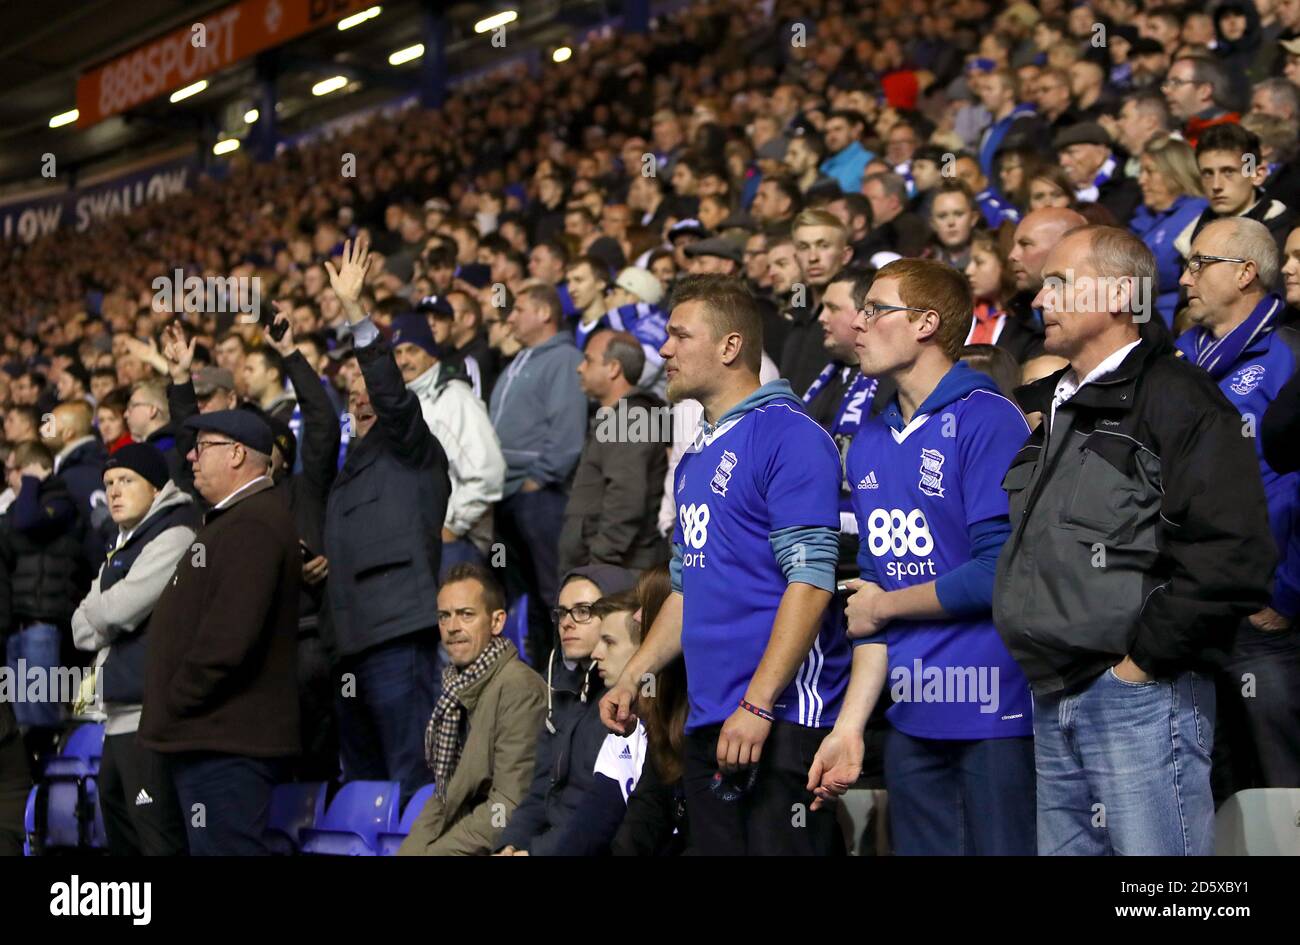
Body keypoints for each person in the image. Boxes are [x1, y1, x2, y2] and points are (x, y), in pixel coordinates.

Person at [994, 225, 1275, 855]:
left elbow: (1233, 553)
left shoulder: (1179, 398)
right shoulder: (1051, 404)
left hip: (1141, 695)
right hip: (1051, 689)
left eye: (1061, 284)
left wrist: (1140, 667)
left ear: (1122, 293)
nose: (1043, 301)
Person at [601, 275, 849, 856]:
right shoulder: (694, 458)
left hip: (782, 715)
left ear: (730, 347)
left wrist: (758, 704)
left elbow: (811, 582)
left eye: (679, 335)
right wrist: (633, 672)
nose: (663, 351)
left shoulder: (790, 435)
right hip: (712, 715)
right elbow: (685, 590)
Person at [806, 257, 1036, 855]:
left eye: (877, 309)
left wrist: (885, 607)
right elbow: (873, 599)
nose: (858, 323)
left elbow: (998, 573)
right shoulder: (870, 442)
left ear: (926, 323)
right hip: (910, 715)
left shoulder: (988, 418)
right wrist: (850, 728)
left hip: (994, 709)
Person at [321, 236, 452, 805]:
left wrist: (355, 312)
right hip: (349, 643)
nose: (362, 400)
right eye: (351, 397)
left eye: (369, 392)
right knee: (366, 789)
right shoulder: (347, 468)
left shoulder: (410, 444)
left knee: (411, 780)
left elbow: (392, 397)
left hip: (399, 631)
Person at [1174, 217, 1300, 799]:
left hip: (1264, 610)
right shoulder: (1177, 358)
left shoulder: (1290, 352)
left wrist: (1287, 590)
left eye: (1201, 264)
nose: (1185, 277)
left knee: (1281, 777)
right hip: (1193, 603)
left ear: (1246, 273)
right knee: (1207, 779)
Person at [137, 409, 300, 856]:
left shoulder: (253, 524)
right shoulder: (234, 520)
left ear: (236, 454)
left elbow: (229, 641)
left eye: (202, 446)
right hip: (209, 735)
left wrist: (176, 699)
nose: (190, 456)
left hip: (226, 741)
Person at [71, 443, 197, 856]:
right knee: (121, 830)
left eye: (126, 481)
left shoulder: (175, 533)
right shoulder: (123, 542)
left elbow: (118, 611)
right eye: (108, 484)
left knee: (156, 835)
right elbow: (80, 630)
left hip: (150, 710)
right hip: (119, 712)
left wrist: (101, 610)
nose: (114, 492)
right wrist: (102, 611)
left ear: (156, 487)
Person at [398, 563, 547, 855]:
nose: (453, 627)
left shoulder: (518, 687)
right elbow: (444, 798)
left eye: (466, 614)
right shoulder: (455, 691)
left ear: (497, 622)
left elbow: (506, 807)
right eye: (444, 616)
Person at [496, 564, 637, 855]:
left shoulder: (628, 703)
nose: (566, 623)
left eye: (583, 611)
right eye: (561, 613)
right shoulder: (560, 686)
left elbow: (598, 814)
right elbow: (540, 790)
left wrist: (535, 852)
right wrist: (511, 843)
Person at [490, 281, 588, 641]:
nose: (510, 318)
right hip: (510, 495)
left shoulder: (564, 359)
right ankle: (538, 682)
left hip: (541, 497)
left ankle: (569, 681)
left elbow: (567, 432)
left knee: (554, 593)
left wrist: (538, 479)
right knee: (526, 597)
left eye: (518, 310)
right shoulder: (519, 359)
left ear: (545, 313)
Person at [388, 307, 505, 572]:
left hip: (454, 545)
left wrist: (451, 525)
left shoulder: (453, 398)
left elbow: (489, 473)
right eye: (398, 352)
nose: (404, 360)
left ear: (431, 353)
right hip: (414, 544)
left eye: (412, 350)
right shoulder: (404, 403)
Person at [558, 330, 669, 576]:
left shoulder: (630, 419)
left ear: (614, 368)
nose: (579, 368)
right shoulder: (617, 418)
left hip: (615, 573)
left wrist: (598, 567)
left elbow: (626, 499)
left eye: (589, 360)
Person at [0, 441, 84, 759]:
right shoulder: (19, 507)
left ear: (33, 469)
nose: (9, 478)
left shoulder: (60, 501)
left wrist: (33, 481)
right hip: (17, 624)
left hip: (42, 624)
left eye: (15, 470)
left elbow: (26, 522)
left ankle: (52, 788)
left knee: (40, 716)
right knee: (22, 718)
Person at [1127, 135, 1209, 327]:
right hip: (1142, 317)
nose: (1141, 180)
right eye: (1141, 172)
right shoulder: (1144, 218)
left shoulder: (1197, 214)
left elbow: (1159, 270)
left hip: (1170, 320)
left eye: (1150, 172)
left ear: (1175, 173)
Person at [964, 229, 1045, 362]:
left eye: (979, 262)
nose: (968, 271)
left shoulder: (1031, 319)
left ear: (1004, 264)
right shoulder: (962, 313)